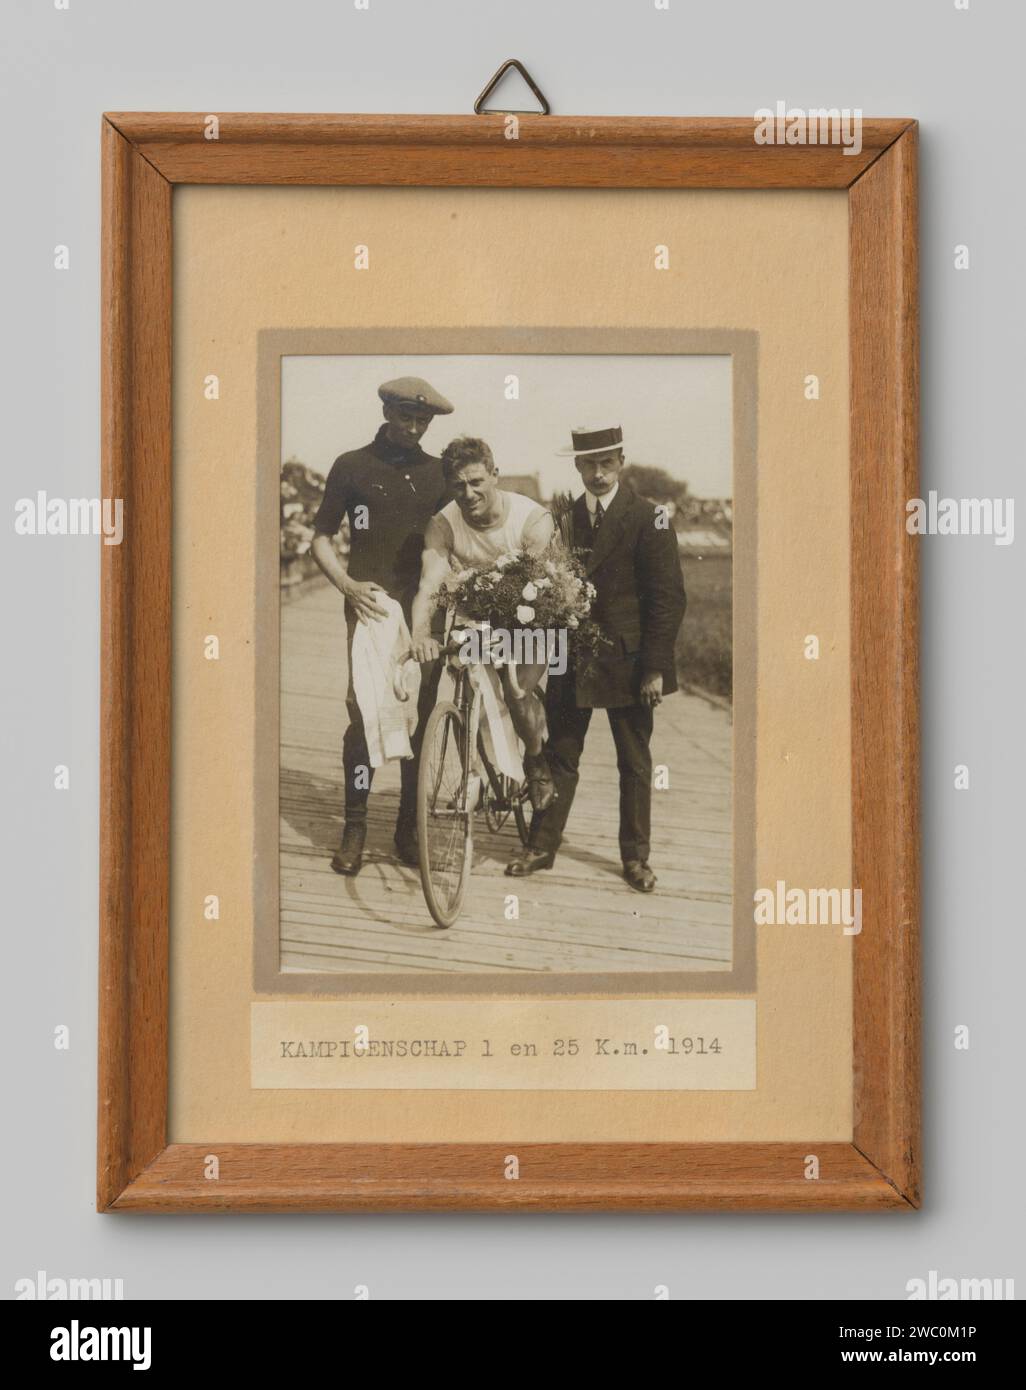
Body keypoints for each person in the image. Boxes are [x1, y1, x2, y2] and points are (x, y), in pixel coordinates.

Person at [506, 425, 686, 893]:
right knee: (561, 754)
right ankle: (543, 845)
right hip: (573, 656)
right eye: (590, 464)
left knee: (635, 761)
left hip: (630, 663)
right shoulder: (564, 520)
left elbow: (667, 600)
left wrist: (654, 670)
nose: (599, 473)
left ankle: (636, 857)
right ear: (578, 467)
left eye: (608, 463)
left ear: (621, 461)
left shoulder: (650, 518)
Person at [310, 376, 454, 876]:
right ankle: (355, 826)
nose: (414, 428)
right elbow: (321, 539)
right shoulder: (352, 466)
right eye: (406, 417)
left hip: (424, 613)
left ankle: (407, 830)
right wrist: (347, 585)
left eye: (423, 421)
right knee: (362, 714)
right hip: (369, 607)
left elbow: (457, 539)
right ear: (387, 411)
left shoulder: (439, 474)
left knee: (421, 711)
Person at [410, 436, 556, 810]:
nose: (469, 492)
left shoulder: (532, 519)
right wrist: (422, 633)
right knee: (468, 688)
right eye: (459, 485)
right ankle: (473, 775)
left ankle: (537, 762)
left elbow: (539, 594)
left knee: (516, 694)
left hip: (530, 619)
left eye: (476, 481)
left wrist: (508, 639)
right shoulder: (443, 525)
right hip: (475, 618)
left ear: (495, 475)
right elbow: (429, 585)